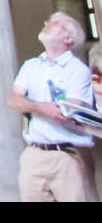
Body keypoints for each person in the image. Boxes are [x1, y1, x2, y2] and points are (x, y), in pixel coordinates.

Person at [8, 12, 97, 202]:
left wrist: (30, 105)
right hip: (34, 153)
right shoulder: (30, 66)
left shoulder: (77, 70)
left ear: (68, 39)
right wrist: (44, 108)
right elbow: (14, 100)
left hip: (67, 155)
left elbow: (67, 112)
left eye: (56, 23)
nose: (47, 23)